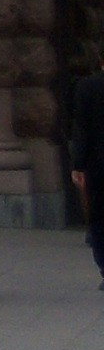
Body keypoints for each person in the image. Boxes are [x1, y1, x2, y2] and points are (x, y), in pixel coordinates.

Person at [71, 64, 104, 290]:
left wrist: (78, 165)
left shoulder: (87, 87)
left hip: (98, 164)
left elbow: (81, 128)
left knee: (99, 217)